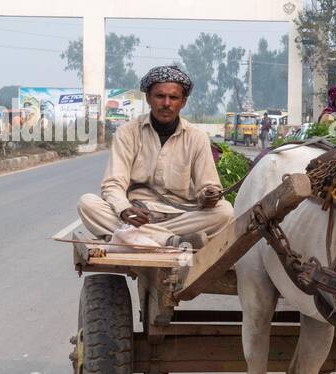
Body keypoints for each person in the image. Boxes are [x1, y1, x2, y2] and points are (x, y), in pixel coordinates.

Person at [76, 65, 234, 250]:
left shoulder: (197, 137)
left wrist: (208, 195)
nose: (166, 103)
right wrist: (124, 209)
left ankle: (143, 238)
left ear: (183, 102)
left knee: (224, 211)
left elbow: (208, 186)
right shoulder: (127, 133)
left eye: (173, 97)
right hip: (136, 215)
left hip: (181, 216)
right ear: (148, 98)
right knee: (87, 203)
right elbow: (113, 185)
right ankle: (170, 241)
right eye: (160, 96)